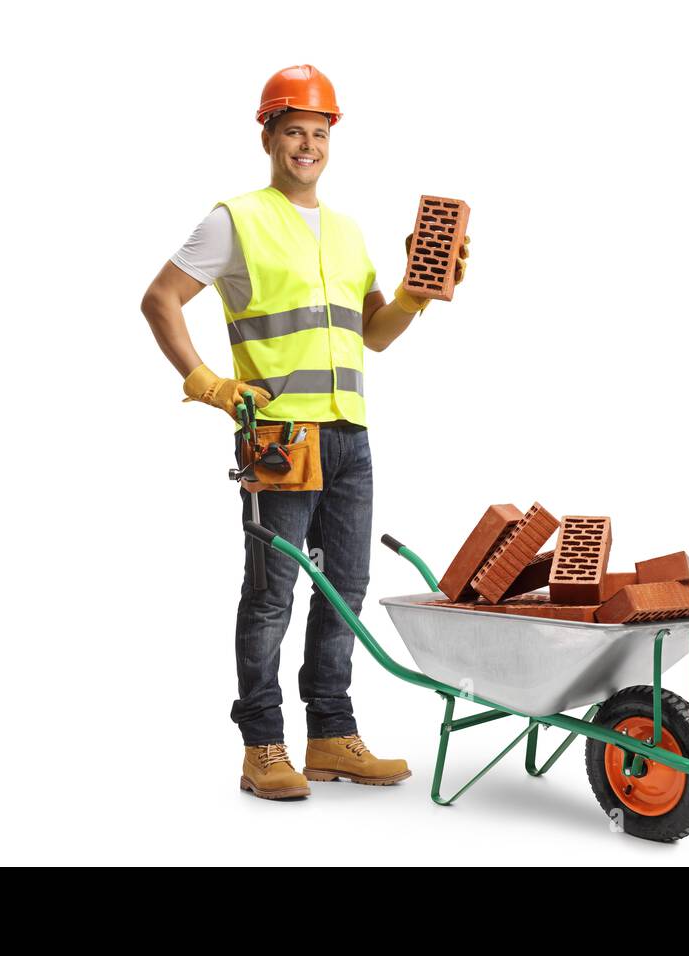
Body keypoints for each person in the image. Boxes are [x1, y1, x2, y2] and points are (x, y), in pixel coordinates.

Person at [139, 64, 469, 800]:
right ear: (269, 136)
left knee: (344, 589)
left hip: (349, 435)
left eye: (319, 133)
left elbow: (374, 335)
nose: (307, 145)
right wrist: (209, 384)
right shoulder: (236, 218)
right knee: (271, 596)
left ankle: (330, 736)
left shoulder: (349, 233)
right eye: (294, 131)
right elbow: (160, 300)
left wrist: (417, 291)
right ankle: (263, 746)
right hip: (280, 439)